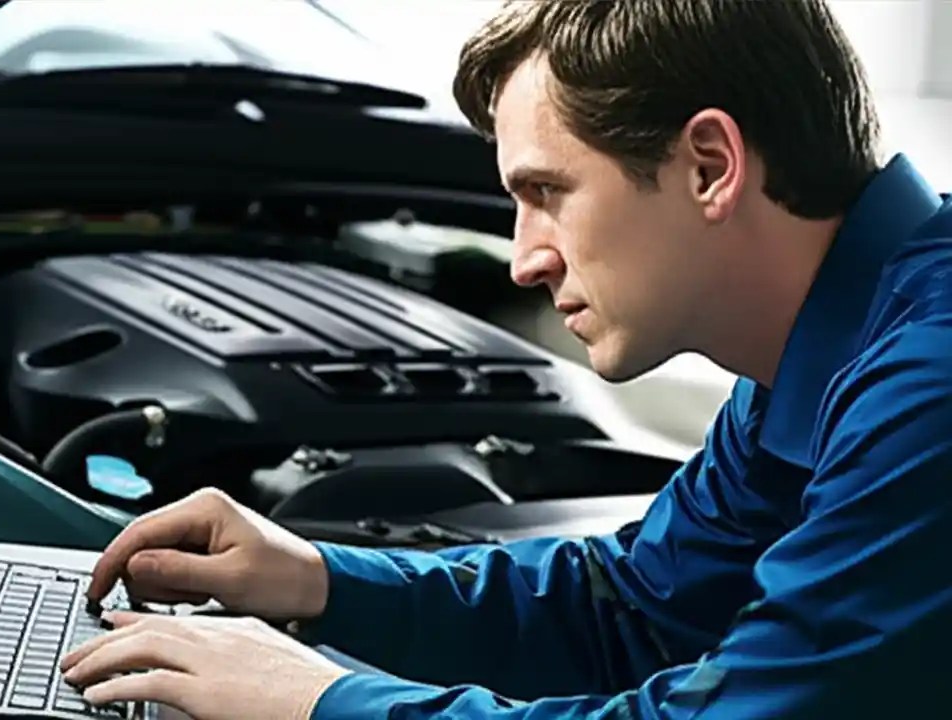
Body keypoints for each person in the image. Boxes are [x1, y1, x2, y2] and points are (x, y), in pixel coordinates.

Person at [59, 0, 952, 717]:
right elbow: (634, 610)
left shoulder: (929, 385)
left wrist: (315, 699)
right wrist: (317, 580)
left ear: (711, 165)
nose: (525, 257)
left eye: (546, 193)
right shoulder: (822, 354)